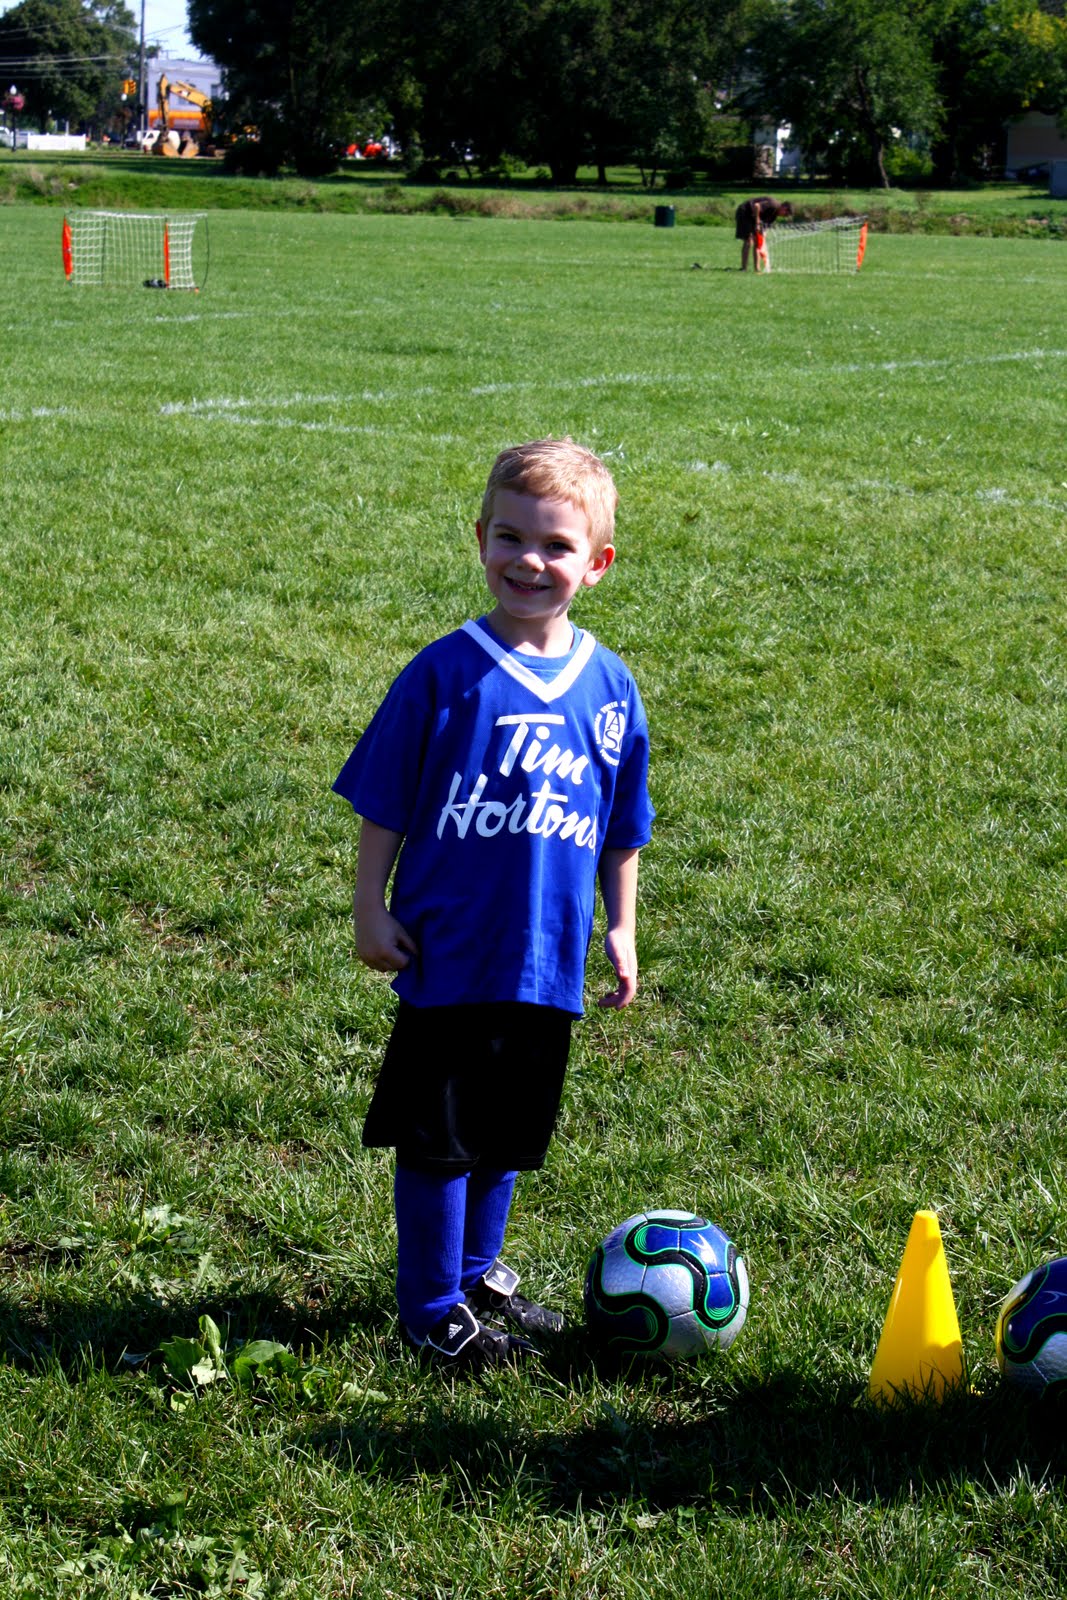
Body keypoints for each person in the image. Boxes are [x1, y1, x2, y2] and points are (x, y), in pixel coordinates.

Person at [333, 437, 654, 1371]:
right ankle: (429, 1308)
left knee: (507, 1134)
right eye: (509, 537)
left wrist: (621, 926)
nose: (529, 561)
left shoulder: (609, 686)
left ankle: (476, 1276)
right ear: (479, 540)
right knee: (440, 1137)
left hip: (546, 957)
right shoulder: (444, 673)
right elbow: (384, 801)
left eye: (555, 546)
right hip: (448, 955)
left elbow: (619, 824)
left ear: (594, 565)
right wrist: (368, 906)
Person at [735, 195, 793, 272]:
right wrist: (757, 222)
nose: (784, 216)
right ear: (784, 208)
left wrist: (763, 235)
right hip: (745, 212)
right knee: (749, 240)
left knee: (758, 243)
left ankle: (757, 269)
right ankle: (743, 268)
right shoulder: (773, 205)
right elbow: (756, 206)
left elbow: (765, 227)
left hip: (753, 216)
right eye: (785, 214)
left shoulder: (774, 215)